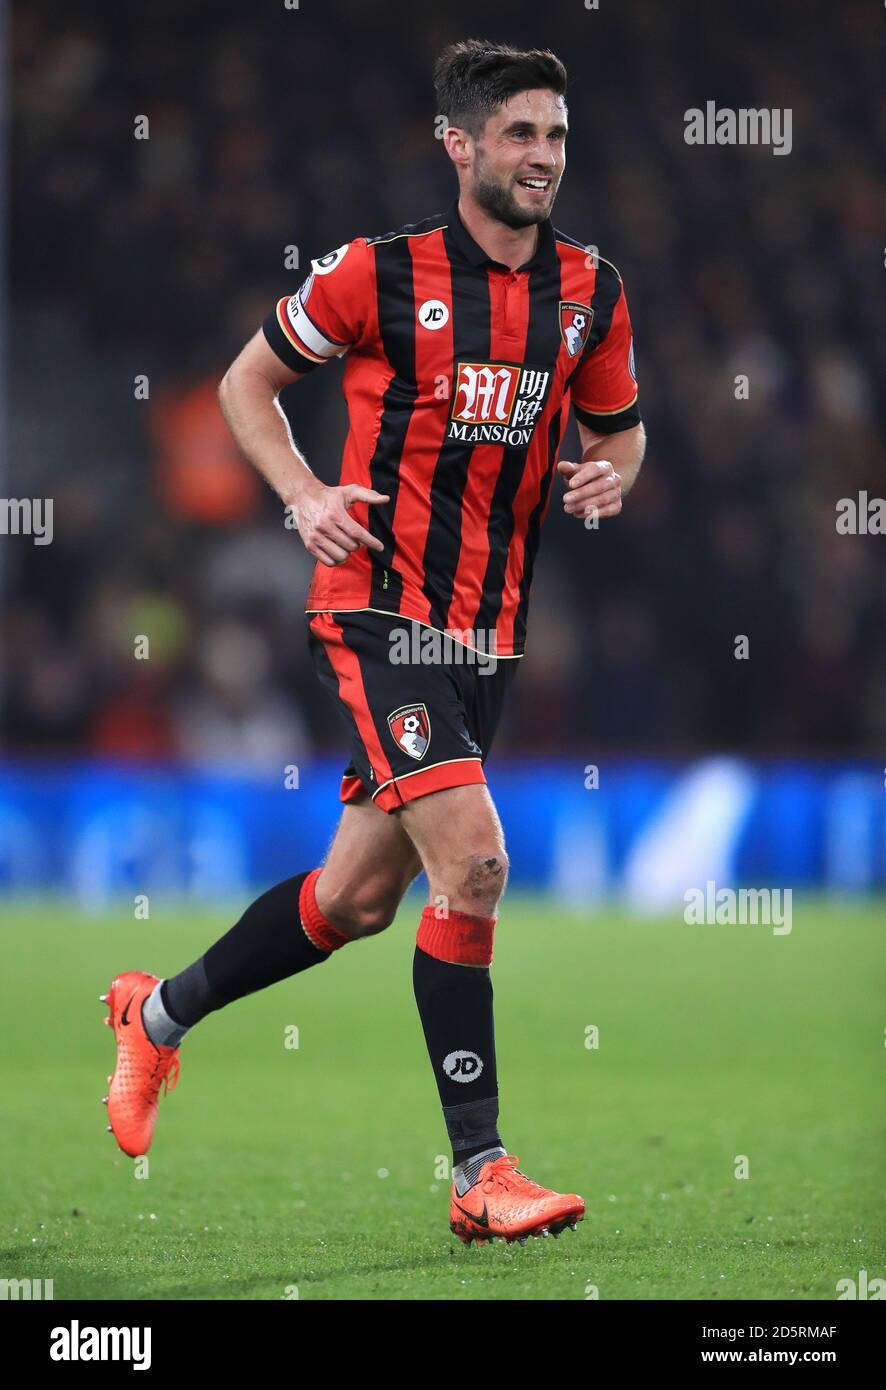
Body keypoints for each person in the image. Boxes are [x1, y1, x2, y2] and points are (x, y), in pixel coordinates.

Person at [102, 38, 646, 1246]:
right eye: (518, 134)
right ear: (458, 145)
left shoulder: (592, 293)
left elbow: (622, 432)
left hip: (486, 637)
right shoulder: (375, 273)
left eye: (555, 135)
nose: (543, 156)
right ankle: (480, 1172)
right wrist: (299, 493)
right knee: (478, 867)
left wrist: (608, 479)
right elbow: (248, 383)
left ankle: (155, 1019)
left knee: (351, 902)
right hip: (375, 610)